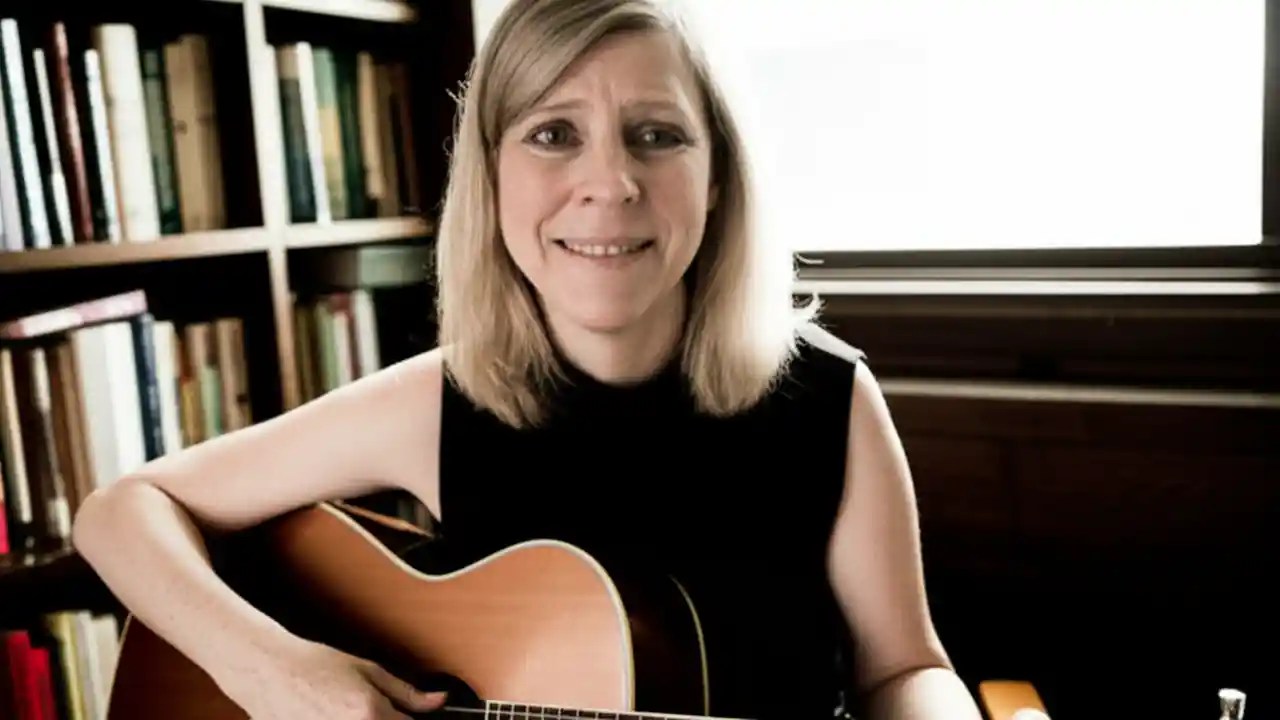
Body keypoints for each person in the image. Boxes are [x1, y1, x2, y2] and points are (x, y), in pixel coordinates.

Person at [71, 0, 985, 718]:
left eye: (657, 135)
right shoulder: (438, 400)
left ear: (717, 179)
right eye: (554, 134)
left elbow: (904, 667)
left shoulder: (828, 401)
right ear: (494, 176)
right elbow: (122, 511)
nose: (611, 182)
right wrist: (274, 672)